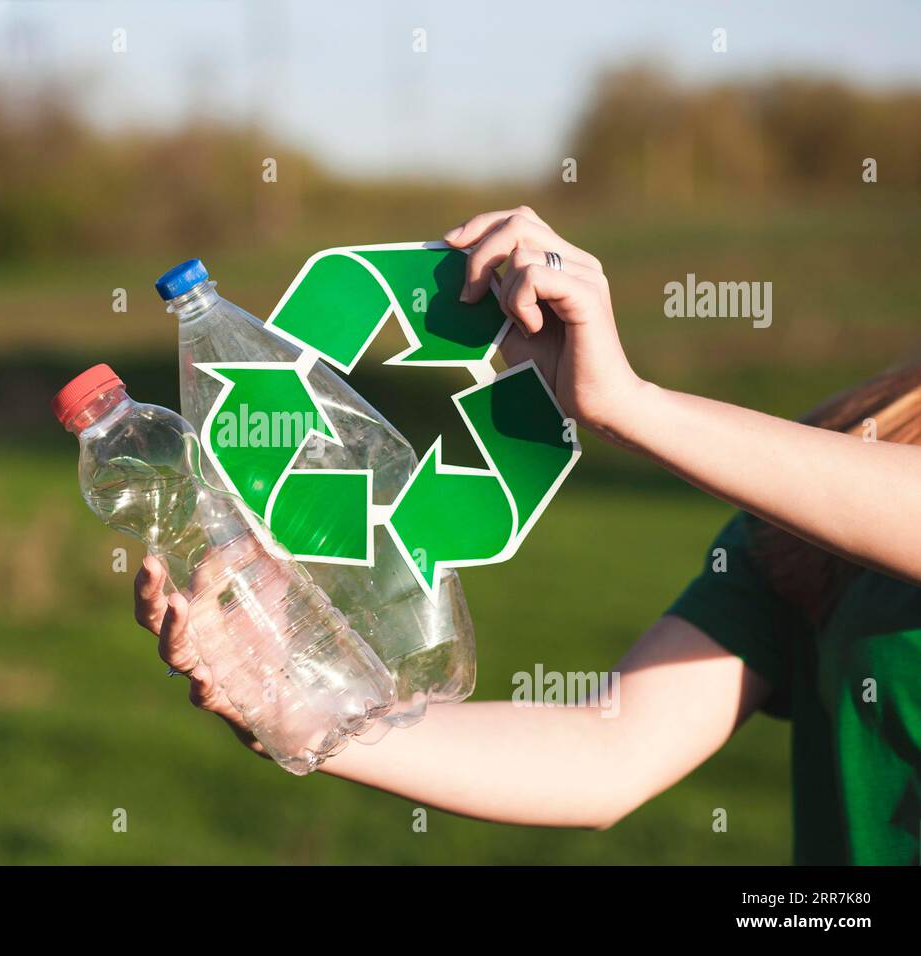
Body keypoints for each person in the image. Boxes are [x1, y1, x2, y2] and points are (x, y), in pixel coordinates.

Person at [132, 207, 921, 865]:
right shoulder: (848, 448)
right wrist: (307, 707)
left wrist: (627, 404)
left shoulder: (826, 476)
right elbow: (609, 752)